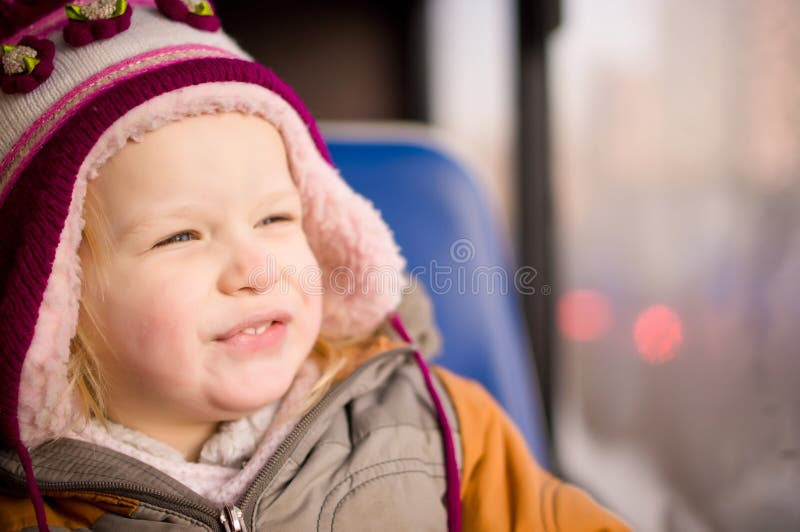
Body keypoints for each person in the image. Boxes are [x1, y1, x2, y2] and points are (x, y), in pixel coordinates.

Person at [0, 1, 631, 530]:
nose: (257, 269)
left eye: (276, 220)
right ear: (54, 303)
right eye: (182, 236)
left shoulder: (442, 426)